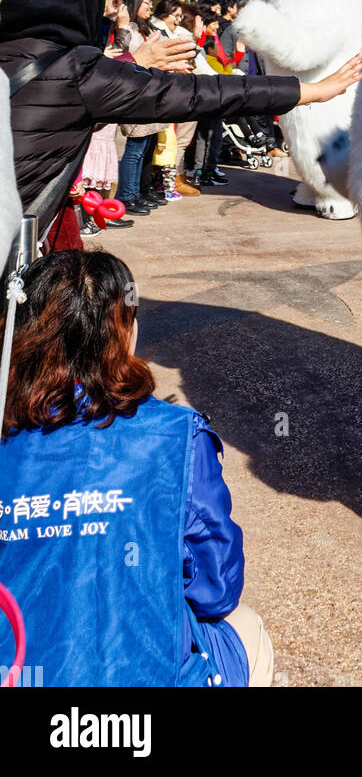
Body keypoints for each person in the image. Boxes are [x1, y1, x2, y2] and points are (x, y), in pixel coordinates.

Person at [0, 250, 272, 686]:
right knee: (248, 627)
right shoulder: (177, 434)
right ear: (125, 332)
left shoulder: (6, 431)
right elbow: (217, 590)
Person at [0, 0, 362, 247]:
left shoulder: (43, 64)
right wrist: (311, 91)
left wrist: (133, 65)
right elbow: (204, 94)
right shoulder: (76, 71)